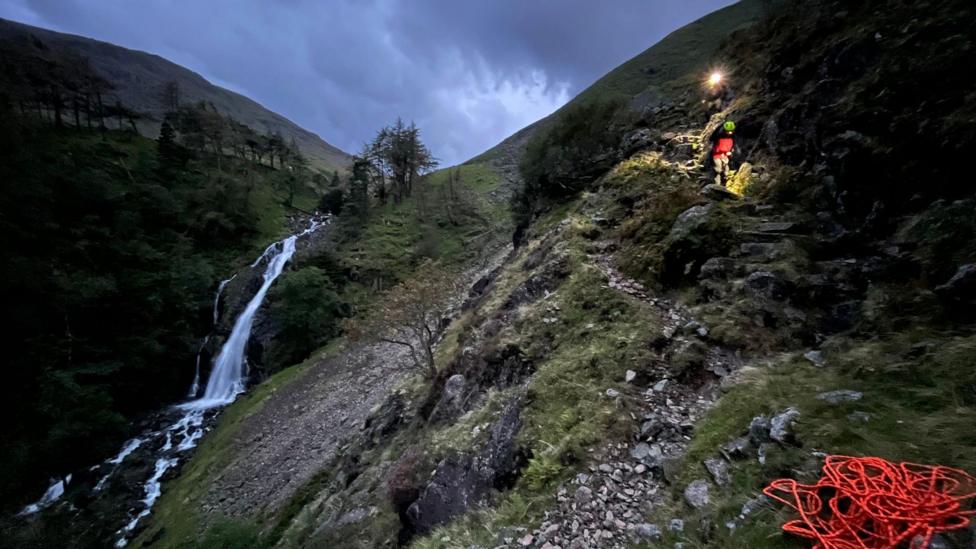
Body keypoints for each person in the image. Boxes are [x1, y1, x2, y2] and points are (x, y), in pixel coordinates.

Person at [710, 121, 737, 186]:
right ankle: (717, 185)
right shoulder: (718, 135)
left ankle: (726, 184)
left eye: (731, 131)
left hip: (725, 155)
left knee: (726, 170)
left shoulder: (732, 136)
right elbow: (712, 143)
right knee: (718, 170)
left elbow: (733, 145)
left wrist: (732, 151)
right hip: (717, 155)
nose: (729, 132)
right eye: (728, 131)